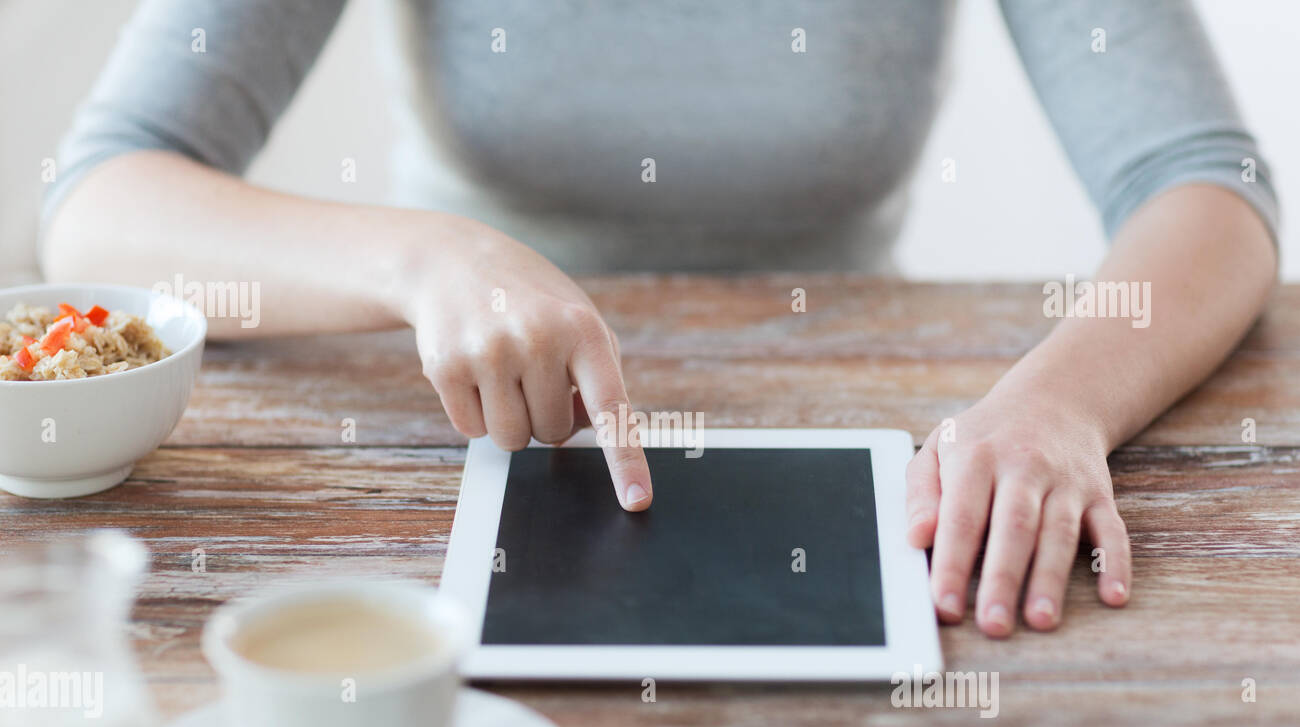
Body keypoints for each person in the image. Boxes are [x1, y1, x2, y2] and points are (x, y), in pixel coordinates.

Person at [40, 0, 1278, 637]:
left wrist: (1059, 403)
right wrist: (424, 261)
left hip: (858, 431)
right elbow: (101, 201)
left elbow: (1208, 185)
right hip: (444, 459)